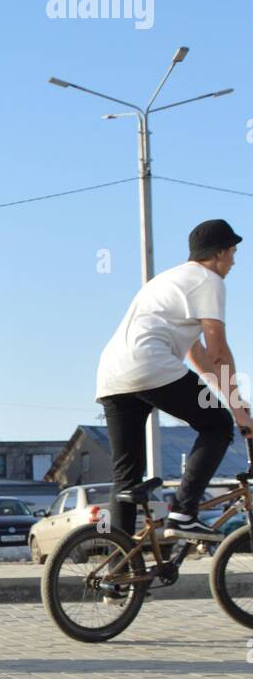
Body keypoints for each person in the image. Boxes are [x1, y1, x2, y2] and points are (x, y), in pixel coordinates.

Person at [96, 219, 253, 542]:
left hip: (112, 375)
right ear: (219, 253)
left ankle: (120, 576)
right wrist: (238, 411)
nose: (234, 261)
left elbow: (198, 355)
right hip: (149, 365)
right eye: (233, 253)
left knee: (125, 479)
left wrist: (226, 396)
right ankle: (183, 513)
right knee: (217, 425)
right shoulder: (209, 280)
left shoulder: (168, 280)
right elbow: (219, 350)